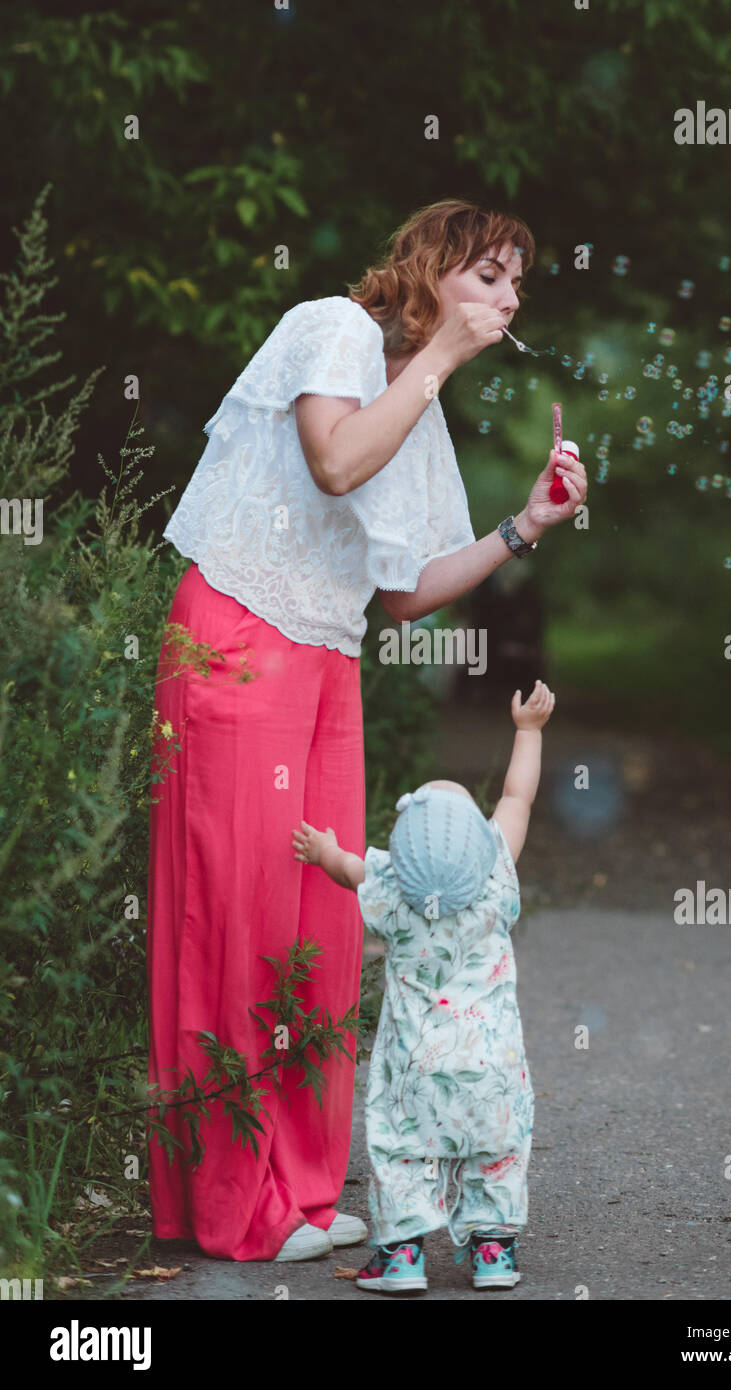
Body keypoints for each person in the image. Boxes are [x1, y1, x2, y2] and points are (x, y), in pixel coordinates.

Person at [147, 198, 586, 1264]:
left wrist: (522, 524)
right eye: (489, 274)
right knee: (238, 909)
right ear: (432, 270)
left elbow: (402, 593)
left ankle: (297, 1192)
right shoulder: (331, 329)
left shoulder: (420, 409)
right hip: (239, 636)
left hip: (326, 663)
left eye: (518, 283)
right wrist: (438, 352)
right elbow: (335, 462)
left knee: (324, 924)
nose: (508, 298)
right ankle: (225, 1204)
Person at [292, 680, 554, 1293]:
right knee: (497, 1148)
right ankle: (493, 1253)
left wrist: (322, 849)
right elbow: (518, 796)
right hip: (491, 1066)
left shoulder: (391, 890)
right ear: (480, 843)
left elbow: (345, 866)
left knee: (403, 1150)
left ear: (402, 849)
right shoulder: (497, 880)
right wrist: (529, 731)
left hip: (415, 1067)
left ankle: (403, 1256)